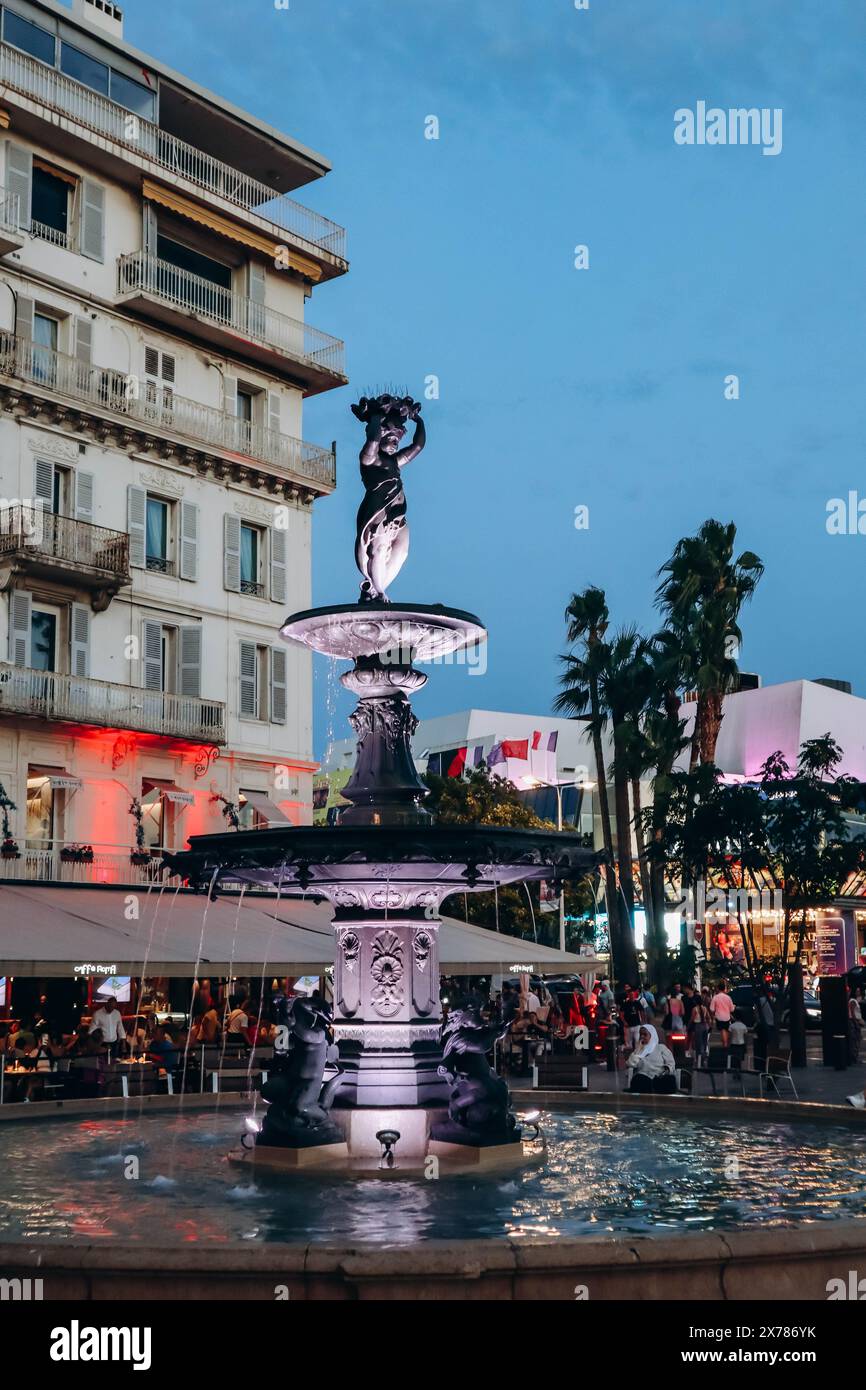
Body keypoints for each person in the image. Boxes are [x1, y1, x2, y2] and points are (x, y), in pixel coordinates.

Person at [626, 1025, 677, 1093]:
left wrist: (666, 1071)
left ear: (652, 1035)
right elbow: (630, 1064)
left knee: (670, 1079)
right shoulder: (639, 1050)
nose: (642, 1037)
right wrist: (638, 1049)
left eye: (645, 1034)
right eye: (640, 1034)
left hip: (659, 1077)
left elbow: (671, 1063)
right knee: (639, 1079)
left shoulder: (661, 1048)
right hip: (644, 1079)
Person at [710, 978, 735, 1047]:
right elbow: (732, 1009)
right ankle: (726, 1043)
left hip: (719, 1017)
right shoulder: (728, 998)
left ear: (718, 988)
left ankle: (725, 1044)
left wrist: (713, 1017)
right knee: (725, 1030)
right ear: (724, 988)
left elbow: (712, 1009)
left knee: (723, 1030)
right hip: (727, 1017)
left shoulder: (715, 997)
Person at [848, 988, 863, 1064]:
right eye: (857, 991)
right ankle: (854, 1057)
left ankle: (854, 1057)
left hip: (855, 1021)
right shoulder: (853, 1001)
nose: (859, 992)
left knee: (856, 1039)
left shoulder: (855, 1001)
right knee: (855, 1040)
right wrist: (856, 1023)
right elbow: (853, 1013)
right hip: (853, 1022)